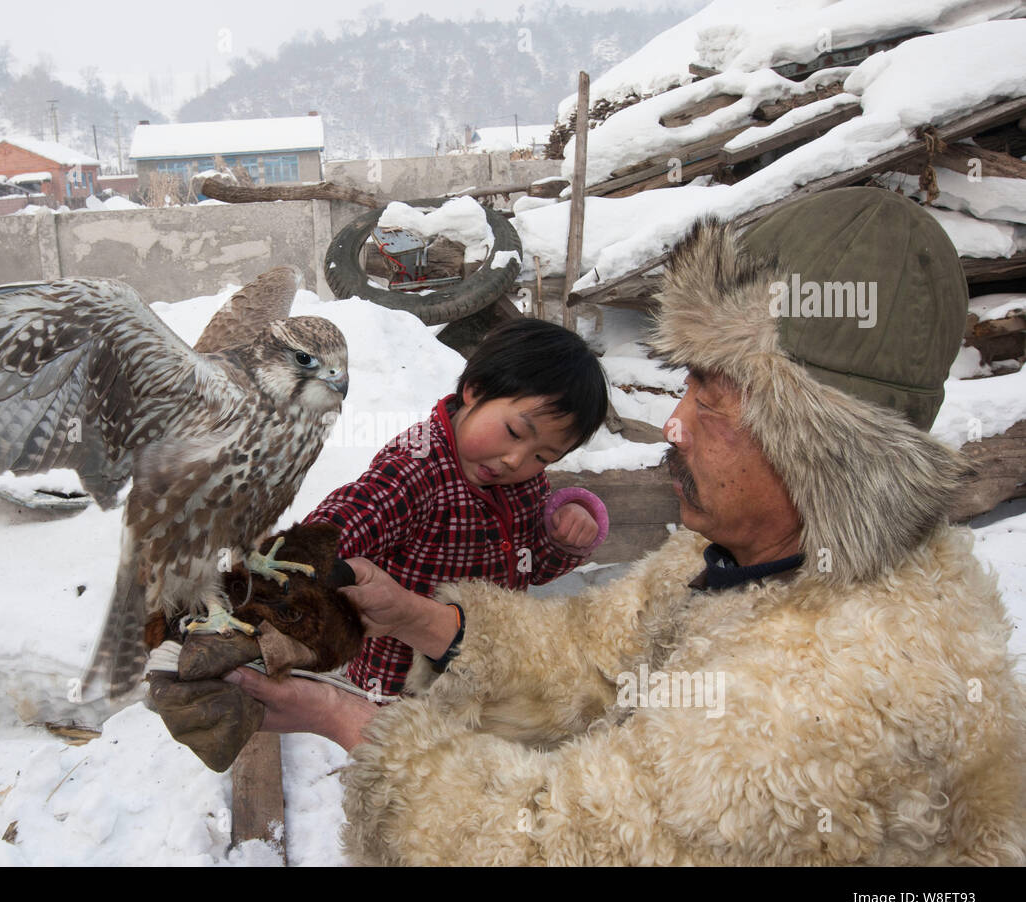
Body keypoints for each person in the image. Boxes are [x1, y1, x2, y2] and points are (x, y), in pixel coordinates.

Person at [226, 187, 1026, 865]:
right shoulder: (731, 560)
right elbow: (590, 659)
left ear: (820, 440)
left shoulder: (826, 702)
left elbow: (546, 844)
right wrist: (420, 616)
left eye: (710, 398)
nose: (673, 426)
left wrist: (349, 723)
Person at [303, 319, 610, 698]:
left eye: (543, 455)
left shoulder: (525, 484)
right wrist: (299, 560)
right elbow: (356, 515)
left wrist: (563, 538)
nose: (515, 459)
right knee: (397, 753)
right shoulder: (416, 467)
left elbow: (535, 568)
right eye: (514, 432)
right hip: (400, 684)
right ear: (474, 390)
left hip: (482, 660)